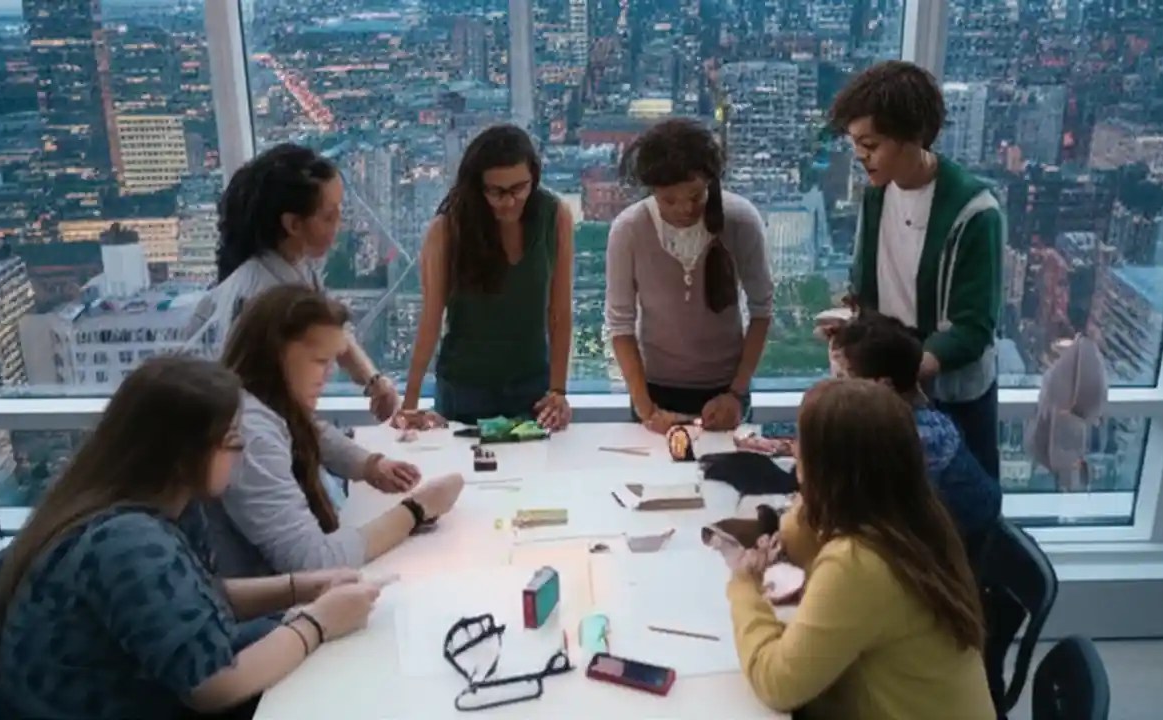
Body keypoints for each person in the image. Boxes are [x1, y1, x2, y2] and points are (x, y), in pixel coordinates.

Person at [0, 357, 384, 719]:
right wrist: (319, 622)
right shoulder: (128, 541)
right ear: (184, 451)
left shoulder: (164, 506)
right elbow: (214, 683)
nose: (241, 447)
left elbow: (195, 595)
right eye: (231, 437)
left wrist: (299, 589)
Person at [713, 379, 995, 719]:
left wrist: (745, 585)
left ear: (829, 471)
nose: (793, 450)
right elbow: (799, 538)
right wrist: (811, 495)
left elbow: (777, 685)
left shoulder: (858, 562)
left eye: (803, 447)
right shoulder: (913, 522)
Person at [206, 284, 464, 578]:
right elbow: (314, 561)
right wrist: (416, 510)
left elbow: (312, 431)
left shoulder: (257, 406)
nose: (328, 375)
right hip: (271, 614)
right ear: (275, 354)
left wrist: (370, 465)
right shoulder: (253, 436)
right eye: (320, 361)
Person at [829, 61, 1005, 479]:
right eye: (855, 144)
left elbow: (973, 328)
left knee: (958, 514)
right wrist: (854, 330)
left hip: (949, 395)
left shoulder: (974, 213)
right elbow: (869, 286)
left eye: (870, 144)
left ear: (913, 137)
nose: (860, 156)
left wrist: (904, 370)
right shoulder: (876, 195)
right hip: (891, 385)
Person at [186, 143, 399, 422]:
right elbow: (278, 415)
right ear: (293, 225)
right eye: (328, 216)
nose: (339, 225)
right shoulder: (263, 298)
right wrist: (366, 464)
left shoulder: (296, 266)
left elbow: (332, 331)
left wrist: (373, 381)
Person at [395, 125, 574, 429]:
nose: (509, 201)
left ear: (534, 178)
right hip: (464, 389)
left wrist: (558, 390)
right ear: (477, 187)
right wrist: (409, 404)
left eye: (519, 188)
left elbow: (559, 312)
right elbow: (431, 319)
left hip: (532, 387)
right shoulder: (448, 229)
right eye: (496, 191)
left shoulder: (553, 215)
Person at [606, 118, 774, 433]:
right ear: (652, 190)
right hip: (653, 389)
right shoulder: (629, 230)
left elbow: (762, 310)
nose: (684, 208)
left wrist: (736, 393)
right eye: (668, 199)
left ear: (711, 182)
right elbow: (620, 324)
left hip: (726, 390)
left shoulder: (740, 222)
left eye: (696, 196)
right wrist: (647, 409)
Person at [831, 312, 1002, 556]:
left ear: (884, 386)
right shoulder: (911, 415)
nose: (838, 388)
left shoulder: (918, 439)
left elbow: (873, 512)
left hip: (956, 556)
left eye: (845, 377)